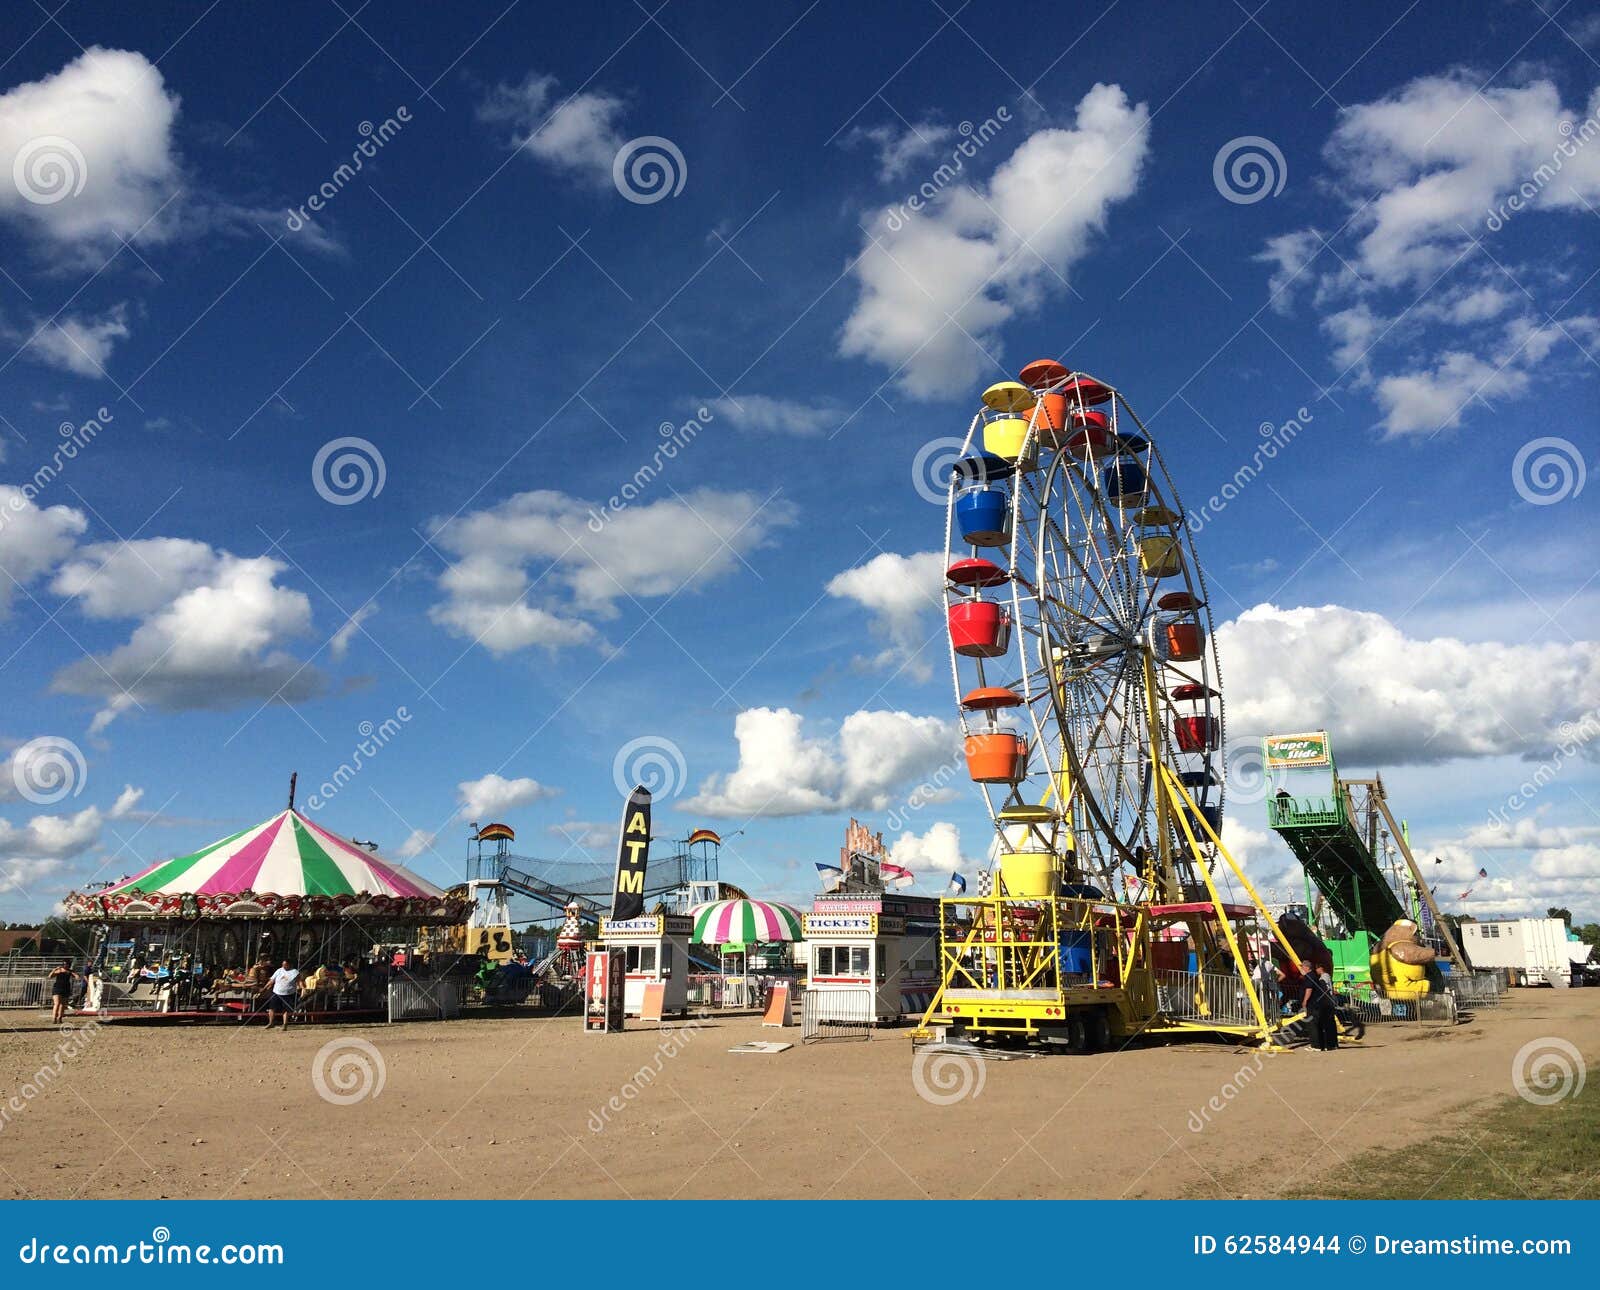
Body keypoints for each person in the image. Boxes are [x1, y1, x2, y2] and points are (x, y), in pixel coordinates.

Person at [1303, 962, 1338, 1051]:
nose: (1316, 970)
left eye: (1317, 968)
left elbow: (1325, 990)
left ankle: (1327, 1045)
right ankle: (1329, 1044)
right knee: (1327, 1024)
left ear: (1320, 968)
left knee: (1326, 1024)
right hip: (1326, 1003)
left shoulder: (1324, 977)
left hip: (1326, 1003)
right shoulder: (1324, 976)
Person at [264, 958, 299, 1030]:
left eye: (285, 965)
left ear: (290, 965)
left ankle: (285, 1025)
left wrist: (302, 988)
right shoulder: (279, 970)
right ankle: (271, 1023)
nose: (283, 966)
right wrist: (264, 988)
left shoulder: (295, 972)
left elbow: (299, 981)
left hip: (288, 994)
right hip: (276, 992)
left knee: (285, 1009)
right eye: (283, 965)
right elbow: (271, 980)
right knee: (271, 1008)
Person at [48, 958, 75, 1024]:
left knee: (63, 1005)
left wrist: (72, 973)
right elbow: (50, 976)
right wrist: (54, 970)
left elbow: (77, 976)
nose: (66, 966)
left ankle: (59, 1018)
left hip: (66, 988)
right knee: (57, 1003)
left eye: (67, 964)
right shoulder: (59, 970)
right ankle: (54, 1018)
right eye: (65, 964)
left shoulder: (70, 971)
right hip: (57, 988)